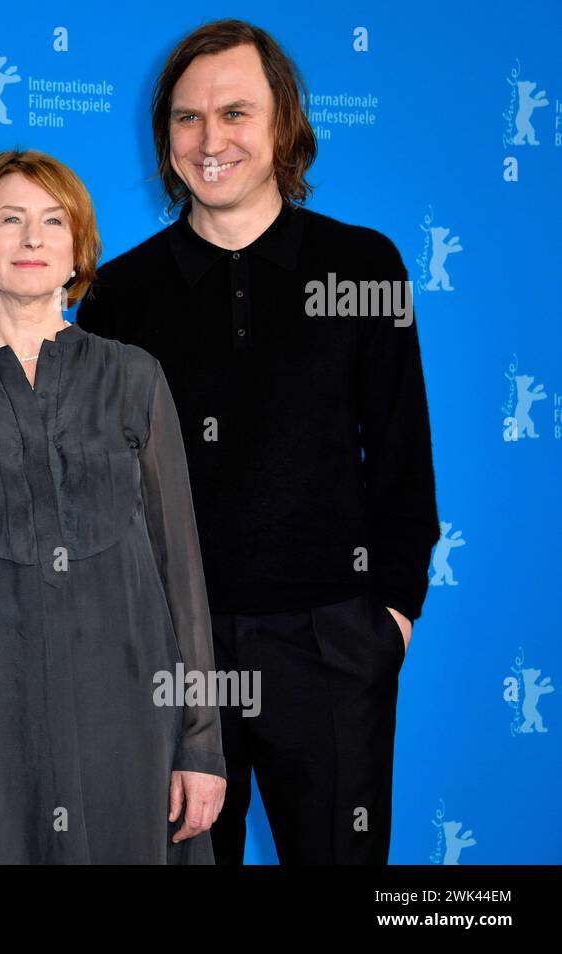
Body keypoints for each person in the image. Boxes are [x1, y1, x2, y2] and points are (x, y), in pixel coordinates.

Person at [78, 19, 440, 864]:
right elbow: (100, 485)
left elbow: (401, 455)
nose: (211, 141)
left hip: (330, 645)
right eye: (188, 118)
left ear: (283, 124)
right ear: (165, 136)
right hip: (171, 653)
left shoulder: (363, 267)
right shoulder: (121, 294)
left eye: (235, 113)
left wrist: (388, 620)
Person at [0, 149, 226, 864]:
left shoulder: (135, 377)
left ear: (78, 249)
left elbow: (182, 572)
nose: (32, 238)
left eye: (53, 221)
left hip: (131, 726)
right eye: (10, 220)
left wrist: (201, 744)